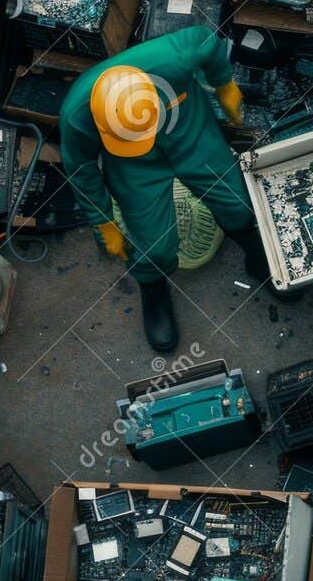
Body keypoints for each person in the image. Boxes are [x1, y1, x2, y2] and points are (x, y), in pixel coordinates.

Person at [61, 26, 273, 353]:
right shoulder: (77, 114)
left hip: (185, 123)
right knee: (153, 245)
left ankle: (258, 258)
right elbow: (81, 170)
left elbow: (209, 42)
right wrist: (102, 219)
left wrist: (224, 83)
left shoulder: (174, 57)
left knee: (235, 203)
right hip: (133, 164)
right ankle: (153, 287)